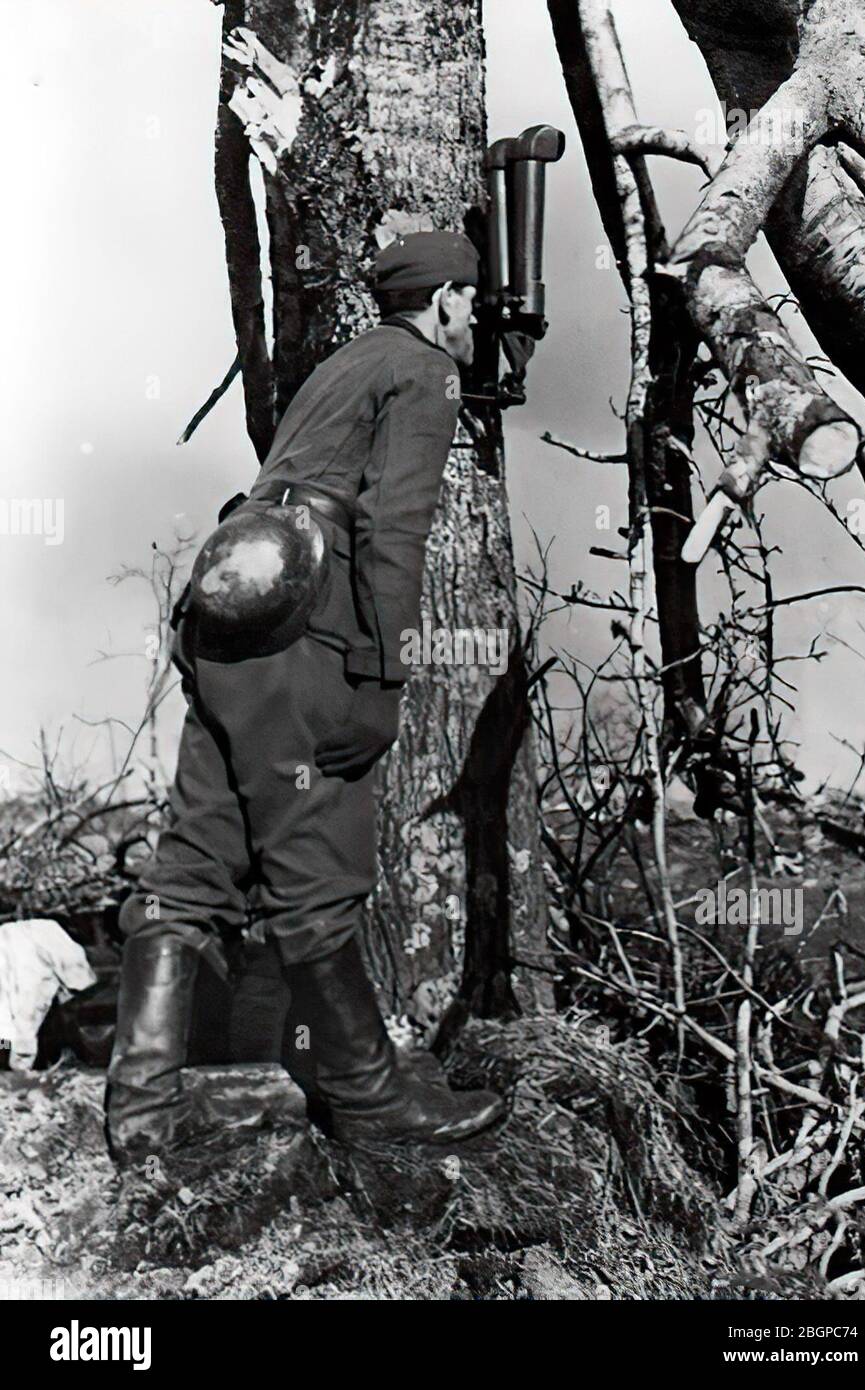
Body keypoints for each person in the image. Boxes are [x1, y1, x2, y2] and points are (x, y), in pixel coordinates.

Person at [105, 230, 505, 1163]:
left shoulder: (344, 363)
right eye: (473, 302)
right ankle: (370, 1100)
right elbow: (394, 534)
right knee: (318, 862)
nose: (479, 319)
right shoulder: (422, 372)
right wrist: (380, 678)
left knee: (197, 859)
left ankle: (141, 1116)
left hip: (226, 604)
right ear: (444, 300)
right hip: (301, 623)